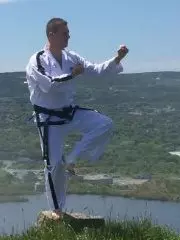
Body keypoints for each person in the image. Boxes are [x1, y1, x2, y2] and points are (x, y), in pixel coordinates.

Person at [25, 17, 128, 219]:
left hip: (70, 112)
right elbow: (50, 84)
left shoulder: (71, 57)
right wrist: (72, 75)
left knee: (104, 124)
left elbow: (96, 71)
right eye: (65, 33)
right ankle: (57, 210)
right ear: (51, 35)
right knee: (53, 164)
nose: (68, 37)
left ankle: (72, 159)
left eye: (68, 33)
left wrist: (117, 59)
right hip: (49, 120)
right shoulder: (37, 60)